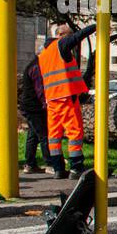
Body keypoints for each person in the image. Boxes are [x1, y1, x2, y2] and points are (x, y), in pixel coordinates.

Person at [37, 22, 96, 179]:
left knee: (54, 135)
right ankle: (76, 168)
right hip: (65, 96)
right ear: (61, 35)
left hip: (52, 99)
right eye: (68, 34)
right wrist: (97, 25)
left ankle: (58, 169)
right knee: (74, 132)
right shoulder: (60, 45)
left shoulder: (44, 54)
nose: (70, 38)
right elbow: (78, 36)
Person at [17, 55, 50, 174]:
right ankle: (50, 163)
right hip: (34, 107)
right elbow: (40, 88)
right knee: (44, 134)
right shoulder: (37, 67)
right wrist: (45, 104)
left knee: (33, 135)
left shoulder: (33, 65)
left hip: (29, 106)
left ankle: (30, 164)